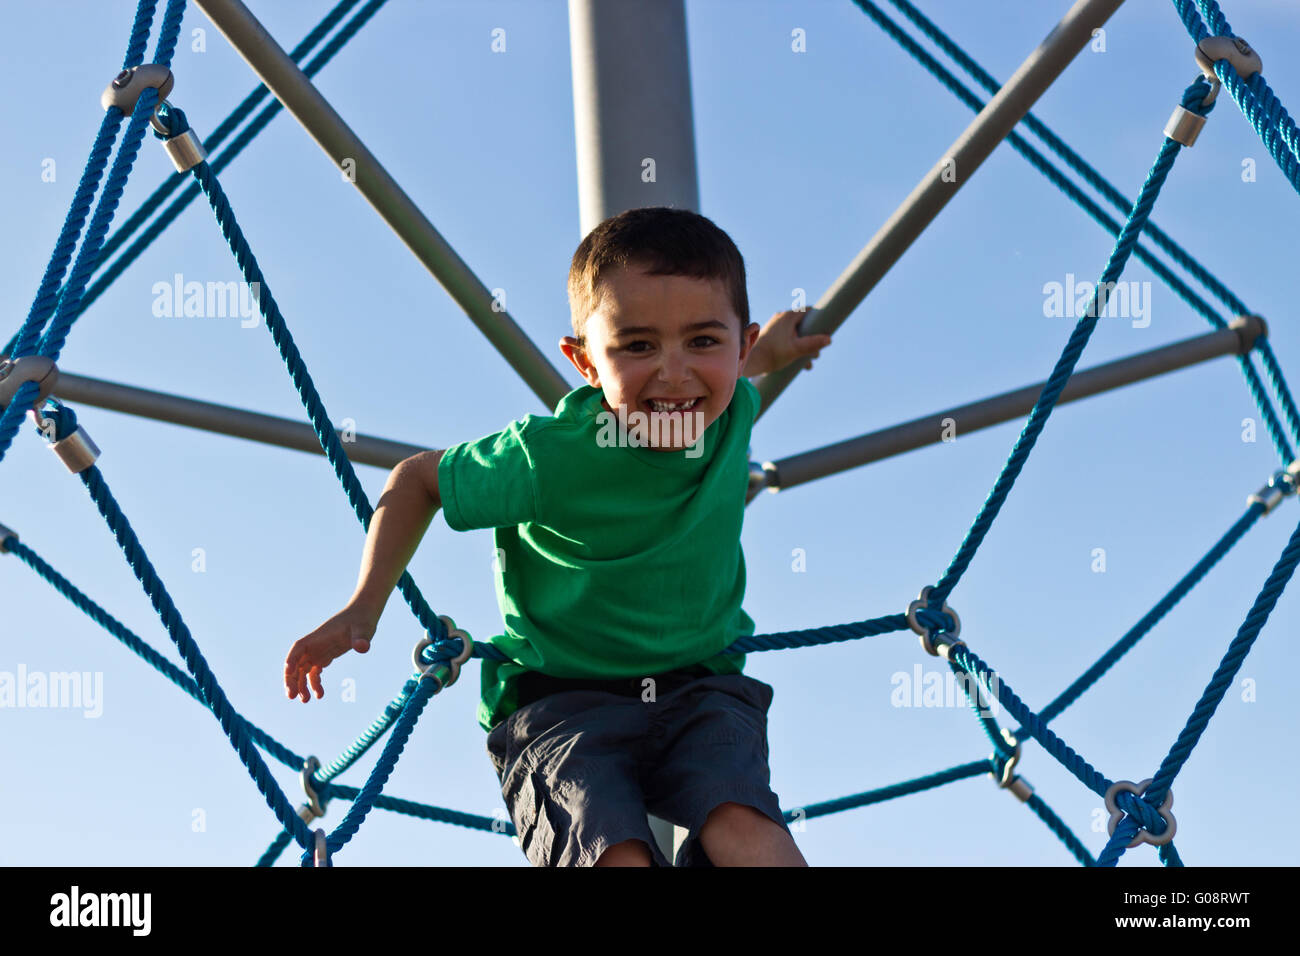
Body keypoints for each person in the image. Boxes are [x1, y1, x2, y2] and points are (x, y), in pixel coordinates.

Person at [284, 206, 832, 866]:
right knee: (614, 854)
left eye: (703, 342)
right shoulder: (550, 455)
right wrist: (362, 605)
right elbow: (417, 481)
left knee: (745, 827)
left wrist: (776, 347)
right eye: (636, 346)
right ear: (584, 362)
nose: (675, 373)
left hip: (700, 685)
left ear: (738, 347)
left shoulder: (732, 401)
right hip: (562, 699)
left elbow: (748, 362)